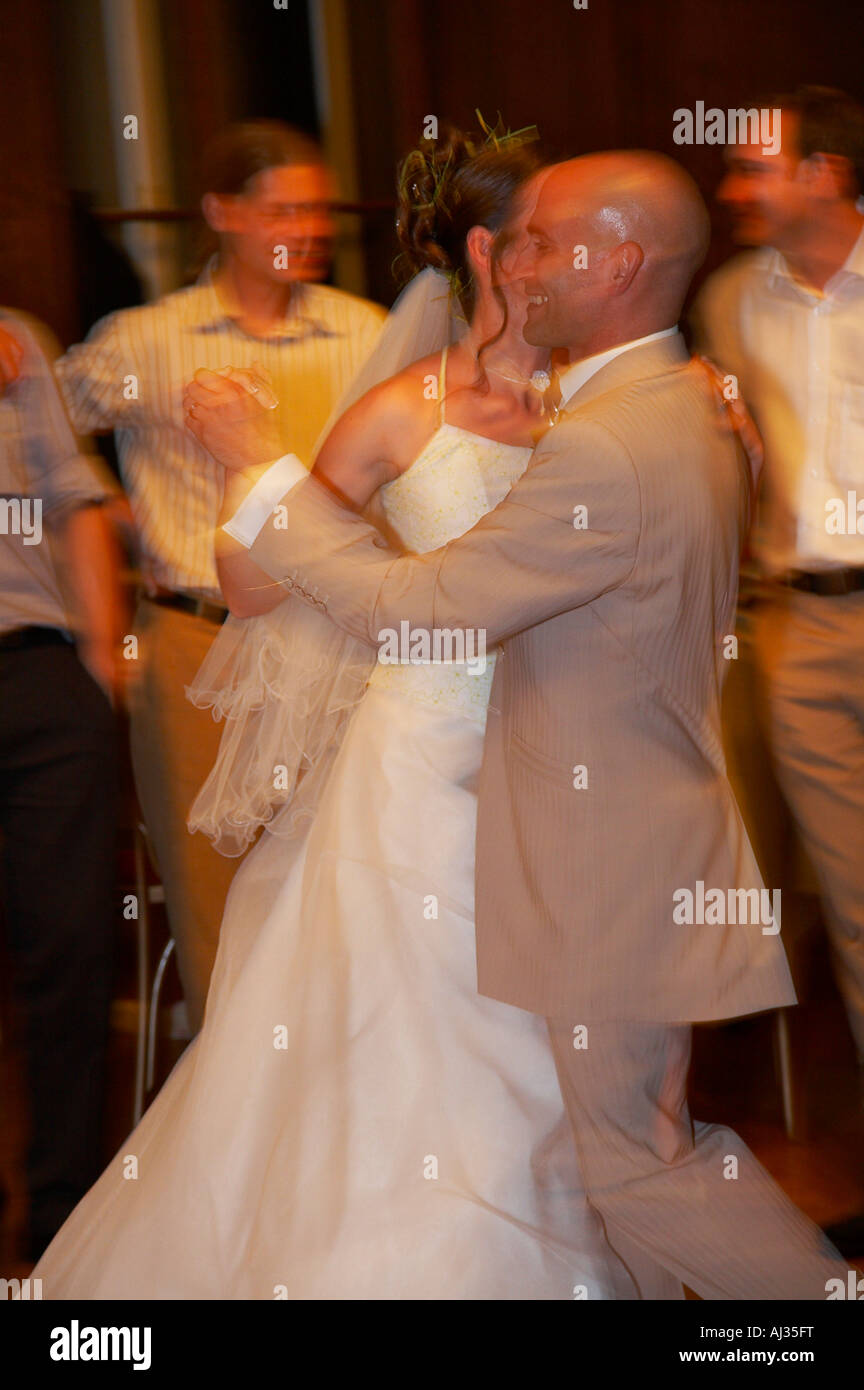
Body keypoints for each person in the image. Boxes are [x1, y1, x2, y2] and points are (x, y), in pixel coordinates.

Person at [187, 151, 850, 1299]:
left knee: (641, 1170)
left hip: (602, 857)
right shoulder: (684, 401)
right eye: (514, 236)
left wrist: (257, 467)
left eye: (543, 239)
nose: (513, 260)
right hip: (619, 821)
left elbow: (419, 610)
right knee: (632, 1151)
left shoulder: (613, 439)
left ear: (622, 262)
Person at [32, 129, 650, 1300]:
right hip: (424, 765)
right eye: (551, 236)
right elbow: (260, 579)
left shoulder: (608, 399)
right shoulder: (400, 409)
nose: (580, 256)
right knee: (433, 1034)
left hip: (568, 758)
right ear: (492, 253)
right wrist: (248, 464)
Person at [54, 121, 386, 1031]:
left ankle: (340, 1104)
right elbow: (42, 435)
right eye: (284, 207)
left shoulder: (365, 335)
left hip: (335, 641)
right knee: (214, 900)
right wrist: (101, 509)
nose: (308, 225)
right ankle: (240, 1131)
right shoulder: (143, 341)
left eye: (316, 207)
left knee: (343, 885)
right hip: (195, 640)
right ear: (222, 213)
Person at [693, 85, 864, 1258]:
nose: (733, 188)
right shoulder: (724, 303)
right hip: (802, 628)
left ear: (828, 171)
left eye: (758, 168)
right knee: (855, 912)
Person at [0, 308, 120, 1265]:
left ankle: (64, 1233)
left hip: (36, 672)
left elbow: (72, 496)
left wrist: (99, 672)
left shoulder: (15, 340)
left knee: (70, 958)